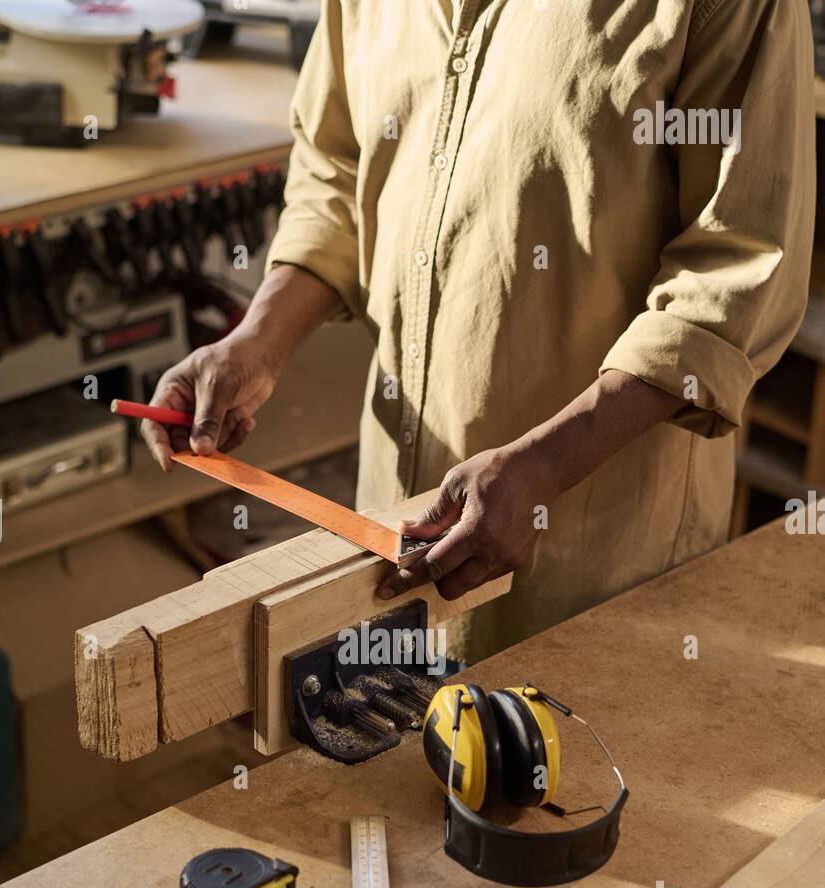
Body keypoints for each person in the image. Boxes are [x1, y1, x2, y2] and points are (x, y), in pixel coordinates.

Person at [143, 0, 815, 663]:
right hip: (389, 535)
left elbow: (737, 263)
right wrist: (256, 342)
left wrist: (544, 467)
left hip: (597, 564)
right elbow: (339, 172)